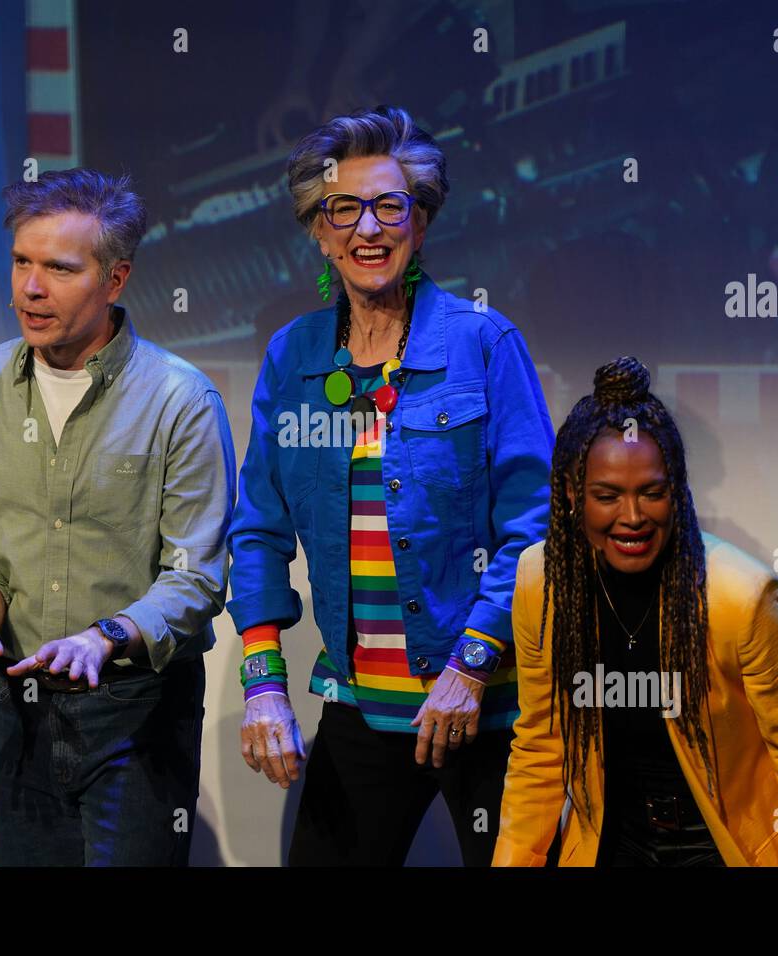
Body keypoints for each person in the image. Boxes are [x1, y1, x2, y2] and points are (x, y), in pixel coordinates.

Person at [227, 106, 555, 865]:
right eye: (344, 208)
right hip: (360, 708)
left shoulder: (483, 341)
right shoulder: (293, 355)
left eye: (390, 206)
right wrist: (263, 681)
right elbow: (259, 530)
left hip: (488, 706)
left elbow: (535, 525)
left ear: (422, 223)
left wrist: (473, 661)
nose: (367, 229)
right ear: (319, 229)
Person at [0, 168, 235, 866]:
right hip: (19, 706)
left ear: (115, 280)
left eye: (58, 268)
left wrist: (104, 638)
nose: (30, 287)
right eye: (22, 262)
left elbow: (196, 576)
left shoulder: (181, 399)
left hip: (137, 708)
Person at [496, 357, 778, 866]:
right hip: (612, 843)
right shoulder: (541, 582)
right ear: (572, 495)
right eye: (607, 496)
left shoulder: (744, 599)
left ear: (675, 491)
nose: (632, 517)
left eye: (652, 493)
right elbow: (540, 750)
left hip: (719, 847)